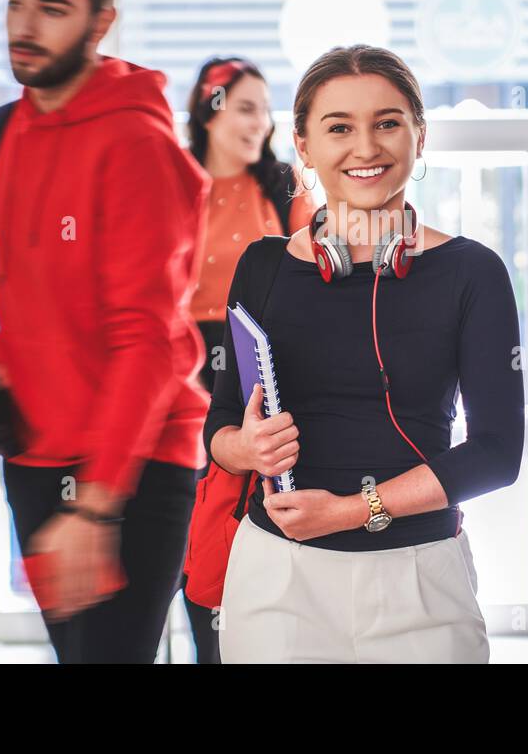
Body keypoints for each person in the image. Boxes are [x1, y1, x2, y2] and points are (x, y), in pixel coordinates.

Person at [0, 0, 212, 663]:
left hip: (130, 469)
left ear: (102, 21)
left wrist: (95, 505)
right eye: (15, 2)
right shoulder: (1, 136)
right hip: (33, 460)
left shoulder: (139, 150)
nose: (23, 28)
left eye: (52, 9)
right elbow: (31, 310)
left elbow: (147, 343)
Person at [203, 44, 524, 663]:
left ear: (419, 136)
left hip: (422, 581)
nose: (366, 147)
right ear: (303, 147)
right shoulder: (262, 266)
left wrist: (351, 511)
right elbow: (218, 427)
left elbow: (497, 455)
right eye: (339, 127)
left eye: (387, 123)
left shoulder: (472, 272)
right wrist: (244, 448)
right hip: (278, 580)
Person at [177, 56, 315, 663]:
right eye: (245, 107)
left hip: (257, 365)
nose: (260, 122)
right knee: (194, 524)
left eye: (265, 109)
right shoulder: (173, 181)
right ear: (208, 110)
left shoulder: (283, 185)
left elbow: (319, 267)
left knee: (255, 513)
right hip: (178, 373)